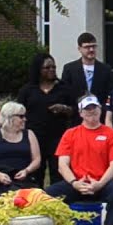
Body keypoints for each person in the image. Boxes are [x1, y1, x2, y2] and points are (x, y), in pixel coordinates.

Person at [44, 95, 113, 225]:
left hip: (101, 183)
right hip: (77, 183)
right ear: (81, 113)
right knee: (48, 195)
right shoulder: (70, 134)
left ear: (100, 110)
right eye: (87, 110)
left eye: (94, 108)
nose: (91, 112)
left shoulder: (111, 134)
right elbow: (62, 164)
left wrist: (99, 184)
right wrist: (74, 182)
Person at [18, 53, 74, 186]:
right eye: (47, 68)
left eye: (53, 67)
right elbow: (20, 112)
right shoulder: (28, 90)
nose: (51, 70)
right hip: (35, 138)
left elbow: (75, 110)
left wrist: (64, 108)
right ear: (38, 69)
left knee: (58, 172)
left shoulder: (63, 88)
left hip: (58, 137)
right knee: (36, 173)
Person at [60, 32, 113, 115]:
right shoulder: (70, 69)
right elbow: (65, 94)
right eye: (87, 47)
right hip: (76, 117)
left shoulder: (105, 69)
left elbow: (110, 94)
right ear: (79, 49)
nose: (91, 50)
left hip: (100, 116)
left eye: (93, 46)